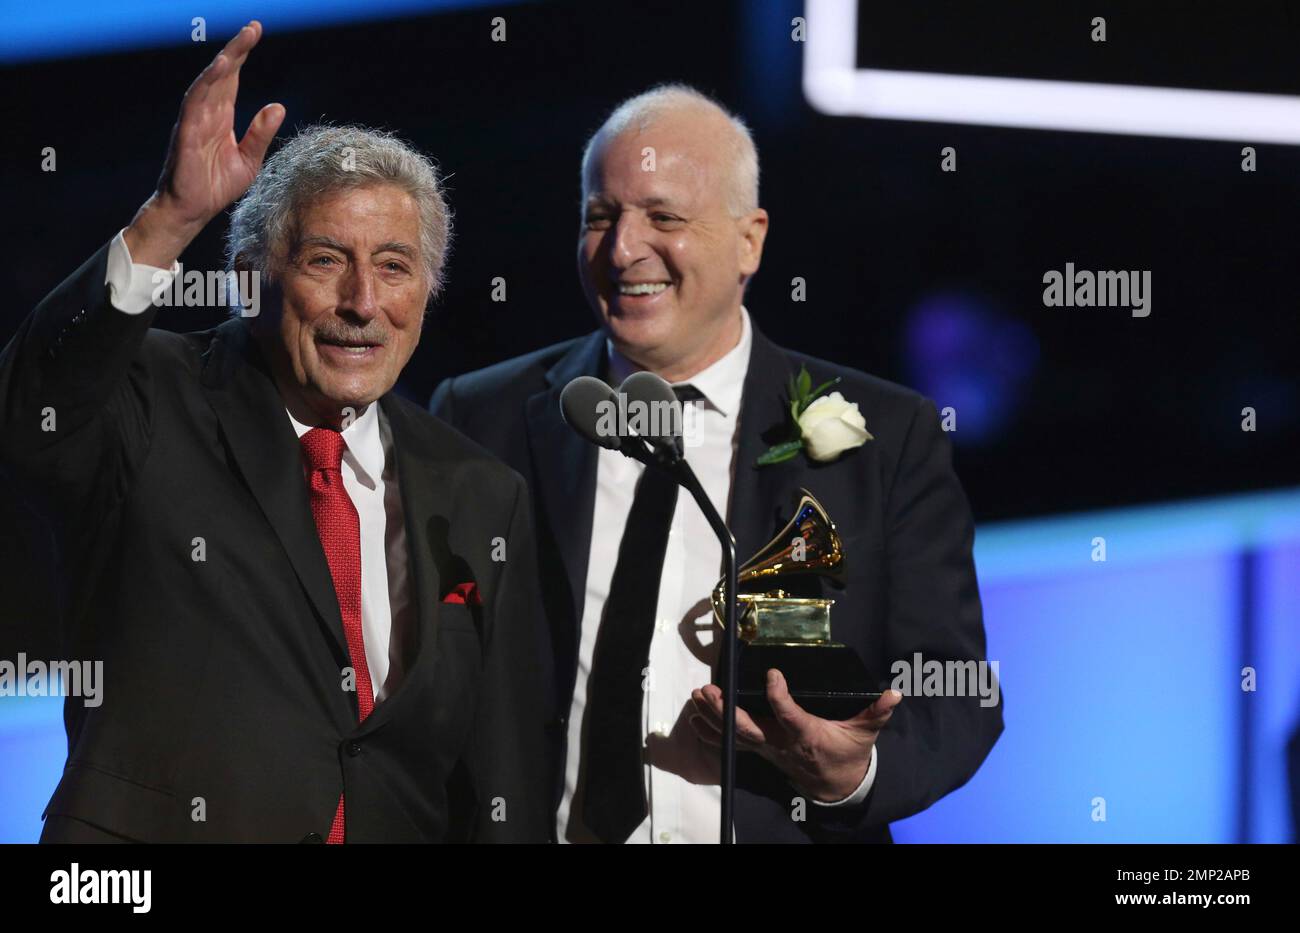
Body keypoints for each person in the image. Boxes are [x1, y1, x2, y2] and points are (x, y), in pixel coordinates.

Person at [0, 22, 553, 843]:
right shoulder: (151, 392)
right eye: (327, 259)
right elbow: (32, 406)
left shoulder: (479, 491)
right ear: (253, 277)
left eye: (395, 266)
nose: (363, 301)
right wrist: (171, 216)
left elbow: (502, 778)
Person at [430, 84, 1003, 843]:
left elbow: (954, 692)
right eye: (600, 217)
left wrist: (848, 773)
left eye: (663, 216)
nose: (624, 248)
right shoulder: (485, 416)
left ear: (749, 241)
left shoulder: (884, 437)